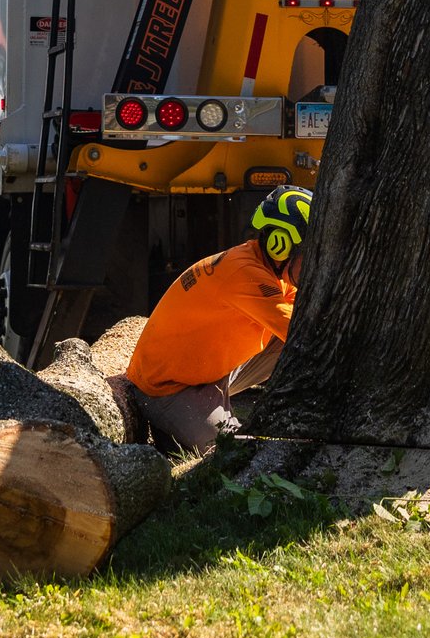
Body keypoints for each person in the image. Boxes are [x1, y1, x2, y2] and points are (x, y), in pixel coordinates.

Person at [120, 185, 311, 452]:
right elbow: (306, 333)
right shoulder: (244, 273)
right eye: (309, 256)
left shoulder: (272, 273)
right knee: (233, 452)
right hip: (168, 388)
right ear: (280, 244)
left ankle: (184, 427)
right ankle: (172, 426)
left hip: (211, 372)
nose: (313, 266)